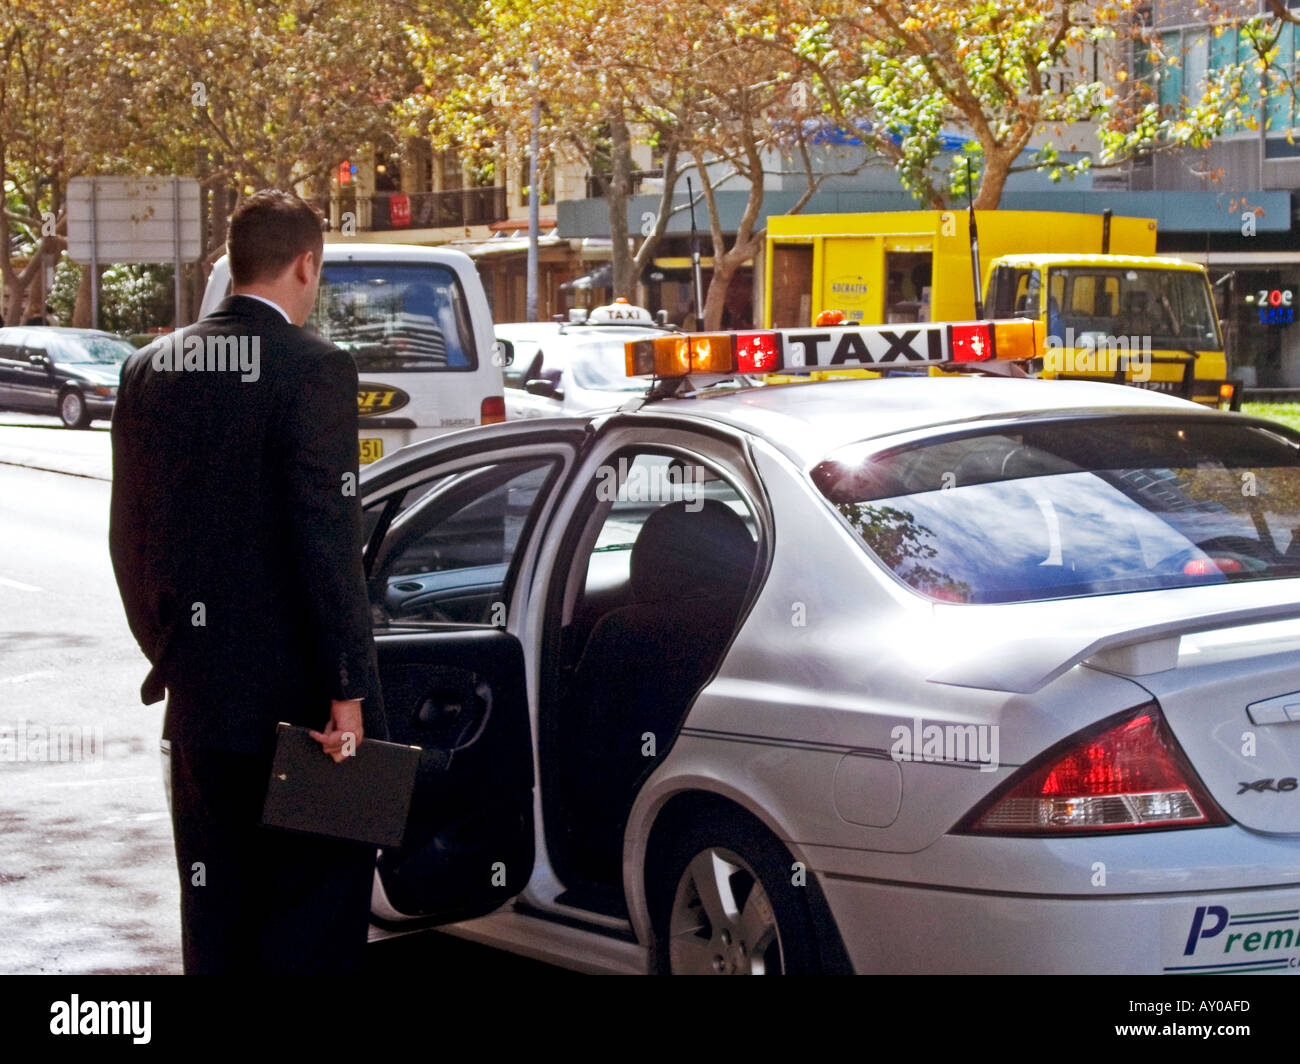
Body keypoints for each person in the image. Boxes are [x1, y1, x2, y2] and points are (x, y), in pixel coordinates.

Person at [109, 189, 386, 974]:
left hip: (200, 708)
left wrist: (171, 651)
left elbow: (128, 541)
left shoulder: (149, 368)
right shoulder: (317, 368)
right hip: (304, 722)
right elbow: (328, 541)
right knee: (309, 927)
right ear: (307, 264)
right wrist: (347, 693)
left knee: (218, 921)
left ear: (232, 263)